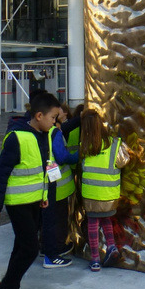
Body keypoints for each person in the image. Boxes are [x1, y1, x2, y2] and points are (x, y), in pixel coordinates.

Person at [0, 91, 61, 289]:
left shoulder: (45, 135)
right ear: (39, 116)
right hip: (17, 202)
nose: (54, 122)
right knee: (30, 249)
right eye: (53, 118)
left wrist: (44, 195)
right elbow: (1, 171)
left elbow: (43, 170)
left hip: (35, 200)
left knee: (20, 248)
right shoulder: (16, 138)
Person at [77, 106, 128, 271]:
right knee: (106, 219)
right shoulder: (114, 144)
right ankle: (111, 246)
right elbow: (123, 161)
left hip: (91, 194)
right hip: (109, 194)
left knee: (93, 223)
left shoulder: (84, 147)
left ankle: (95, 259)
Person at [40, 103, 82, 268]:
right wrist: (78, 155)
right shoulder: (54, 133)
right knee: (58, 219)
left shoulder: (36, 131)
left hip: (41, 186)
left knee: (46, 219)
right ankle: (55, 250)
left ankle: (44, 247)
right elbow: (62, 156)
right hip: (58, 187)